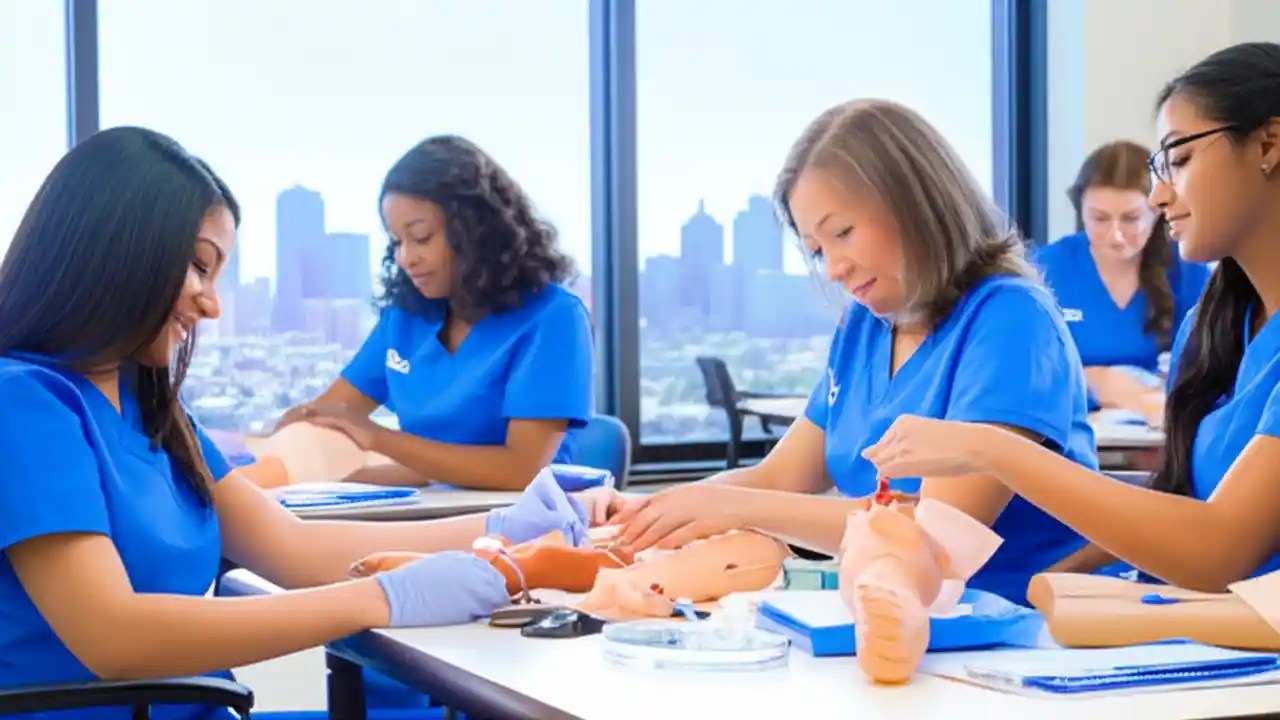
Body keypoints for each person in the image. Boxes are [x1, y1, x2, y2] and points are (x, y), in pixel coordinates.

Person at [0, 127, 599, 720]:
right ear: (119, 251)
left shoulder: (145, 402)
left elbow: (298, 551)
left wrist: (511, 523)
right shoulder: (24, 405)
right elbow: (116, 637)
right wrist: (381, 598)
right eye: (199, 269)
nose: (211, 304)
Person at [608, 99, 1097, 605]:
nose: (835, 268)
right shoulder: (865, 327)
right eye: (818, 250)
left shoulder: (1011, 319)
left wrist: (734, 507)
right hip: (892, 610)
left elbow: (937, 532)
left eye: (843, 233)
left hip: (1020, 623)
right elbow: (779, 480)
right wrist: (647, 510)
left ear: (915, 201)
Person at [863, 42, 1280, 594]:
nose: (1158, 196)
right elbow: (1182, 497)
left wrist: (990, 448)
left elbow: (1220, 547)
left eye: (1178, 160)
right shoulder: (1213, 325)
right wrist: (1055, 581)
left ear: (1268, 144)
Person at [275, 135, 594, 491]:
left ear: (476, 232)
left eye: (421, 237)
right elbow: (332, 417)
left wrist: (377, 439)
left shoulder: (554, 319)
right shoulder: (406, 318)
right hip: (432, 507)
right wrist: (289, 444)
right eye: (397, 241)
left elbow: (520, 470)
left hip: (522, 523)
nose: (406, 258)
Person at [1036, 140, 1210, 426]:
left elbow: (1211, 370)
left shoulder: (1189, 272)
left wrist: (1144, 397)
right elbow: (1025, 373)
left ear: (1157, 213)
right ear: (1080, 210)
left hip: (1163, 432)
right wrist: (1098, 383)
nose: (1115, 235)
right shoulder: (1044, 269)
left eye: (1131, 219)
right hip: (1069, 429)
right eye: (1099, 218)